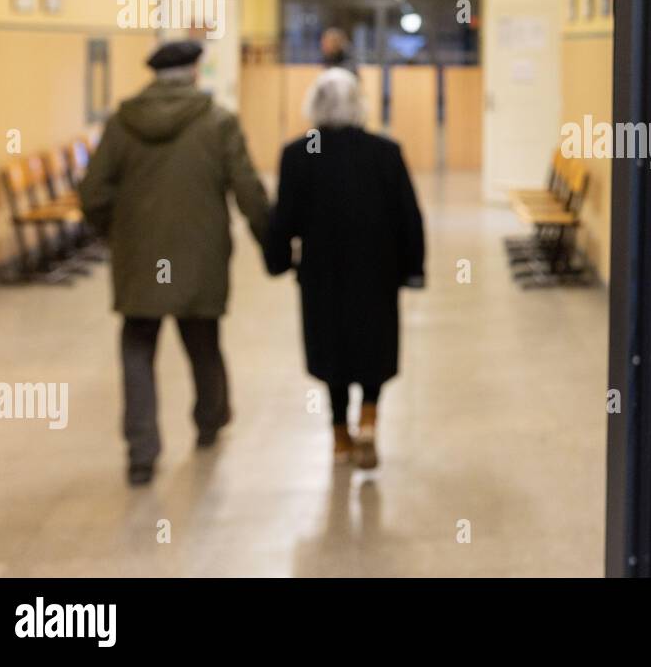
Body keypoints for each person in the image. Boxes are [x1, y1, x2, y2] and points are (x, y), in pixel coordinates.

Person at [78, 40, 269, 486]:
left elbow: (92, 193)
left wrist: (115, 234)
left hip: (139, 256)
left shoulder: (121, 124)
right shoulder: (219, 122)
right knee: (203, 339)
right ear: (195, 72)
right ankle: (209, 421)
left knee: (137, 346)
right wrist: (271, 242)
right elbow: (247, 189)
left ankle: (141, 452)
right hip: (199, 254)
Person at [263, 69, 424, 468]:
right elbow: (409, 215)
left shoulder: (299, 154)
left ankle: (339, 435)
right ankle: (368, 418)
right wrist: (413, 268)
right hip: (376, 269)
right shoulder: (384, 151)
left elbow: (283, 219)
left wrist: (278, 260)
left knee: (332, 346)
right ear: (359, 104)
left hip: (322, 273)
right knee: (374, 341)